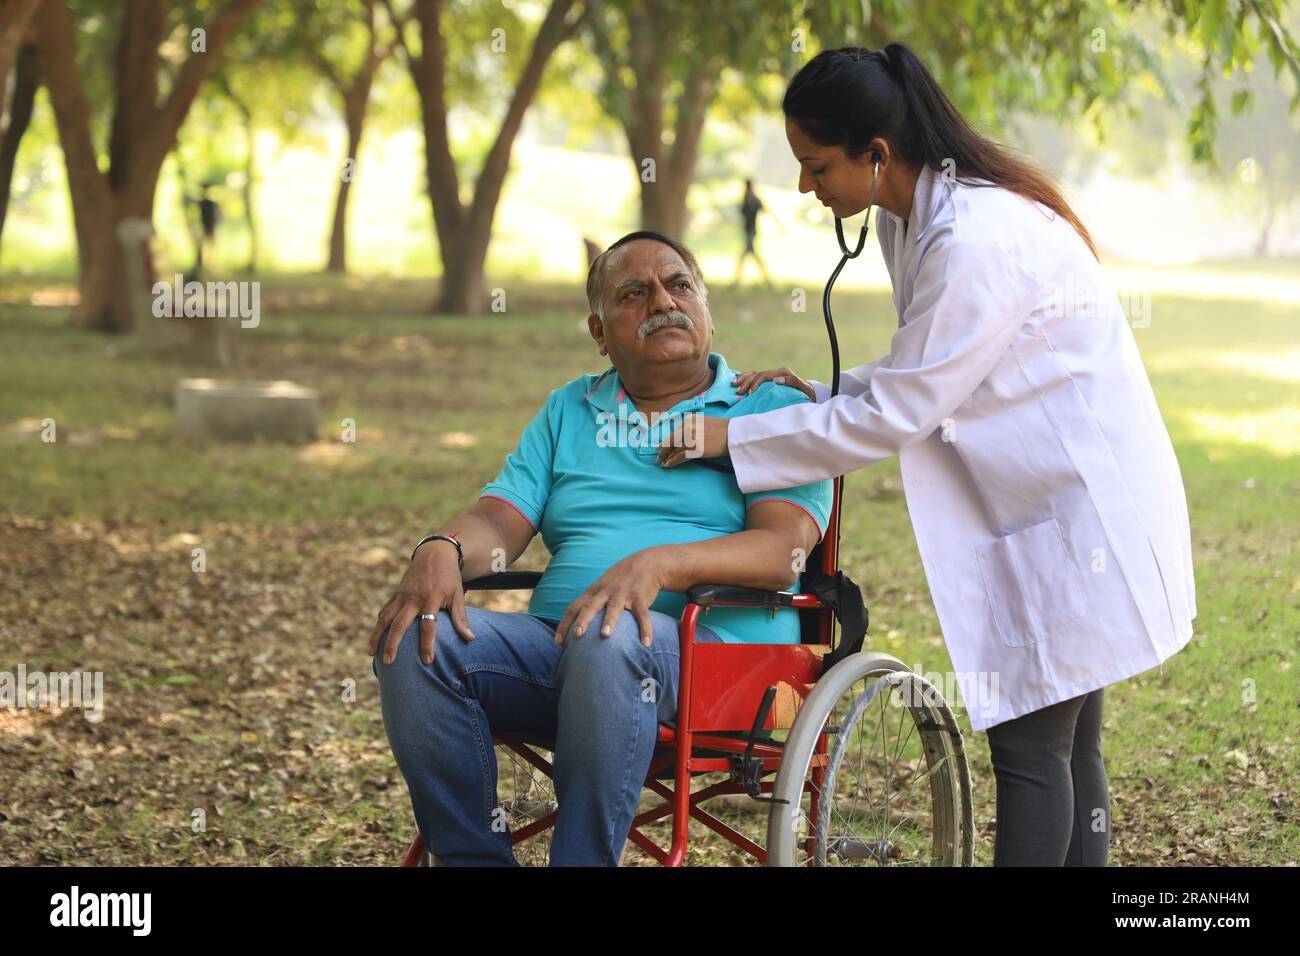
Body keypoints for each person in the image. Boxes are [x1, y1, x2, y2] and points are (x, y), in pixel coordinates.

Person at [656, 44, 1197, 866]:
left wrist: (737, 435)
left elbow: (901, 411)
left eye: (816, 165)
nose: (805, 187)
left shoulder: (975, 239)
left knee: (1032, 754)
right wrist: (816, 390)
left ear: (876, 155)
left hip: (1077, 518)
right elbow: (932, 365)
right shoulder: (913, 220)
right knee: (1065, 749)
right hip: (1051, 506)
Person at [369, 230, 832, 866]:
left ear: (706, 308)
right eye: (634, 294)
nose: (664, 302)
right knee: (419, 641)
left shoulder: (769, 409)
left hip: (715, 661)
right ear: (599, 330)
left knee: (610, 634)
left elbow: (784, 554)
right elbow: (498, 522)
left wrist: (661, 564)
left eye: (680, 284)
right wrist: (442, 547)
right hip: (561, 649)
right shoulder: (570, 409)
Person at [733, 178, 775, 291]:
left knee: (748, 256)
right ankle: (767, 281)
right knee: (752, 256)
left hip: (750, 231)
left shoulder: (751, 199)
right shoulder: (748, 198)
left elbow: (763, 210)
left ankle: (737, 281)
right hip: (749, 231)